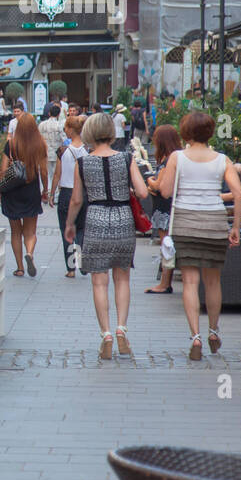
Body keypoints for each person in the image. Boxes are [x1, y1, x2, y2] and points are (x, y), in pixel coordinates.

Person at [154, 112, 241, 360]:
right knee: (213, 282)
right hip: (214, 223)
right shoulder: (222, 160)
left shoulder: (177, 158)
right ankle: (213, 331)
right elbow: (238, 194)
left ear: (185, 132)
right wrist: (234, 226)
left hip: (185, 222)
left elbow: (165, 190)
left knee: (191, 282)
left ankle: (195, 336)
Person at [63, 113, 149, 358]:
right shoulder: (126, 158)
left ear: (89, 133)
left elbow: (77, 199)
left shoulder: (83, 162)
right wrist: (129, 187)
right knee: (122, 279)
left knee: (99, 282)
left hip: (97, 218)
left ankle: (106, 334)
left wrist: (70, 224)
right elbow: (142, 192)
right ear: (111, 132)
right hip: (123, 218)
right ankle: (122, 328)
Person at [0, 112, 48, 277]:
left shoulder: (11, 145)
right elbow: (44, 171)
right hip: (30, 190)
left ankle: (20, 268)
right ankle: (30, 253)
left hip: (12, 191)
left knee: (15, 232)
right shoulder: (40, 144)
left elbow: (3, 170)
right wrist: (45, 190)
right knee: (30, 232)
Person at [144, 124, 183, 295]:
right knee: (167, 245)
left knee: (166, 245)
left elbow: (160, 185)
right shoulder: (174, 159)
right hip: (164, 208)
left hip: (164, 210)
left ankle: (165, 283)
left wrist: (151, 182)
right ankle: (164, 282)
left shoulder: (168, 161)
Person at [49, 115, 87, 278]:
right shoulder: (89, 150)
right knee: (81, 228)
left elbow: (57, 174)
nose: (64, 130)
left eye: (66, 127)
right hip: (84, 193)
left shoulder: (62, 151)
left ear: (71, 130)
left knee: (66, 230)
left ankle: (71, 269)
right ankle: (80, 255)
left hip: (66, 193)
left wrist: (51, 193)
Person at [38, 103, 65, 167]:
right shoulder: (60, 125)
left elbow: (38, 139)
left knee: (46, 174)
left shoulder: (42, 124)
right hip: (57, 154)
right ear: (59, 114)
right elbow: (64, 140)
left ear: (49, 113)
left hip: (45, 153)